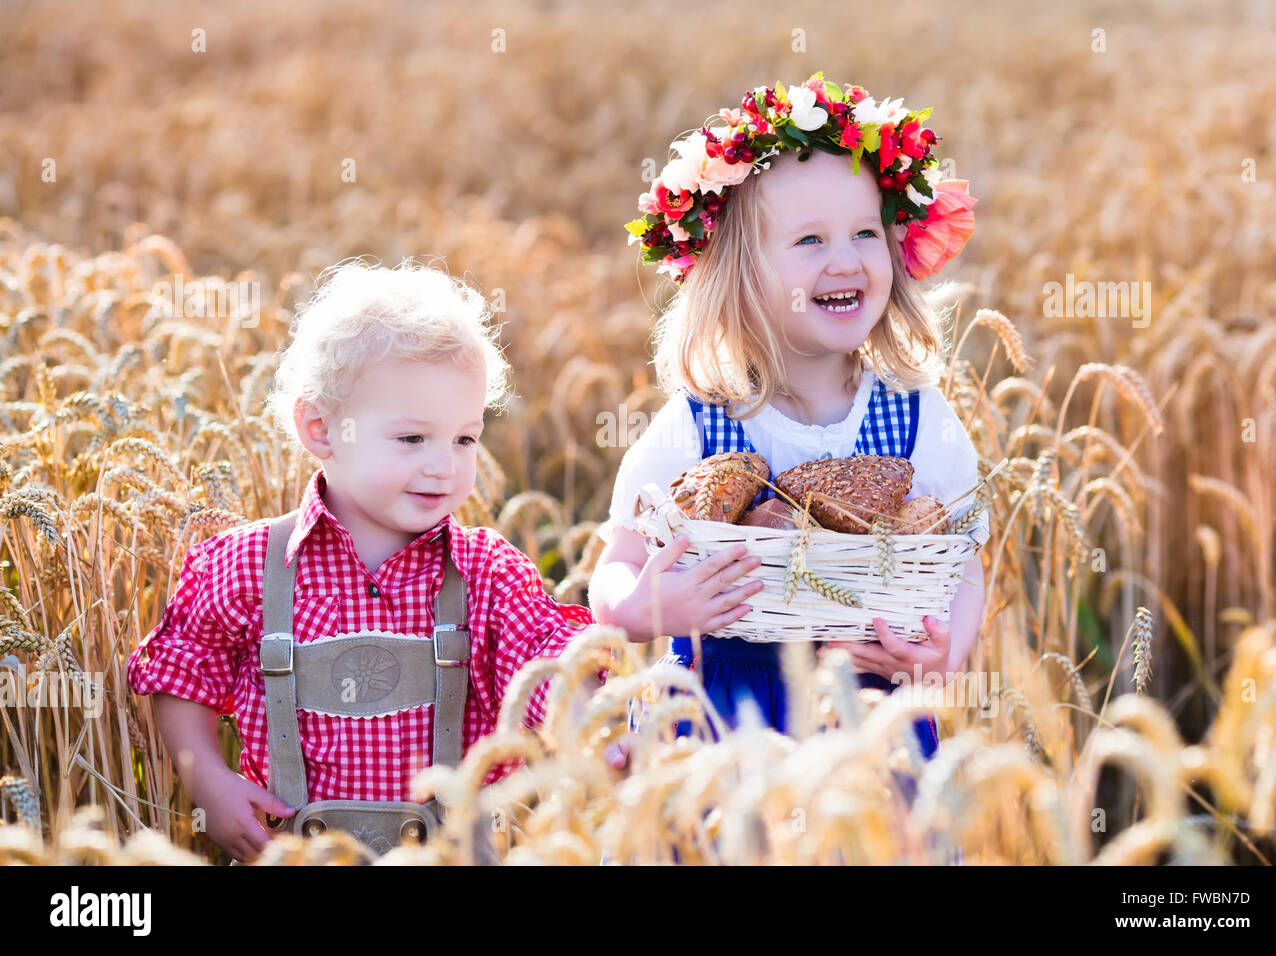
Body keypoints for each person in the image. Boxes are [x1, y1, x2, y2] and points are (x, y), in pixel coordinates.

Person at [127, 261, 597, 863]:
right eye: (412, 439)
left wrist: (598, 728)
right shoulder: (250, 566)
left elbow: (547, 665)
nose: (444, 466)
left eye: (464, 438)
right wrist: (210, 783)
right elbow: (179, 675)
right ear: (321, 429)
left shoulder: (485, 574)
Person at [589, 74, 990, 769]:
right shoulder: (699, 426)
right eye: (810, 240)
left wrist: (947, 644)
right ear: (739, 274)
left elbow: (961, 561)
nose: (847, 259)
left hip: (869, 717)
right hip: (718, 720)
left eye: (865, 232)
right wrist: (643, 608)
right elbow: (616, 567)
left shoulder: (918, 415)